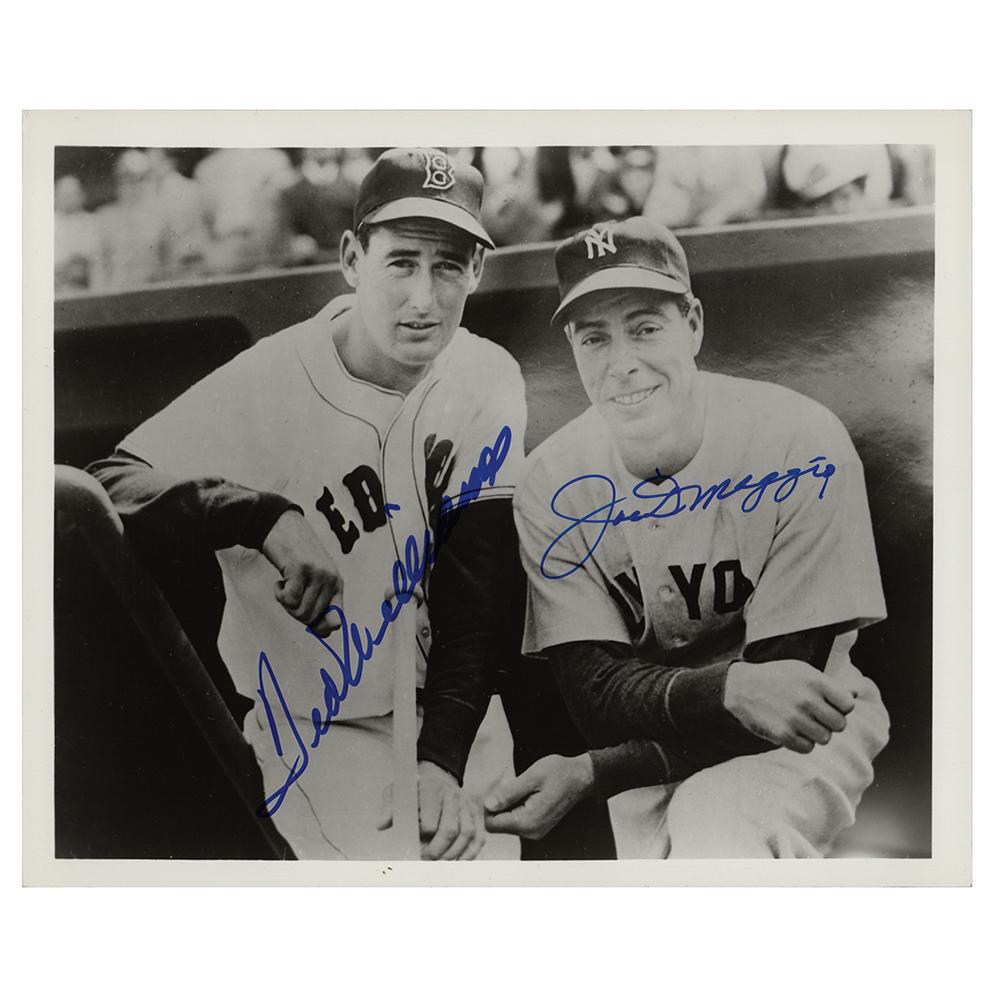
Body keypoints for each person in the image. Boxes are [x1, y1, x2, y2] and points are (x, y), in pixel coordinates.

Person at [487, 216, 890, 858]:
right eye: (594, 338)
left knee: (714, 830)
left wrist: (596, 771)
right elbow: (595, 695)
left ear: (693, 323)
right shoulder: (552, 479)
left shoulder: (797, 440)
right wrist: (728, 687)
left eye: (645, 328)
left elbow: (787, 697)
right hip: (641, 757)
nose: (622, 363)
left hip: (812, 733)